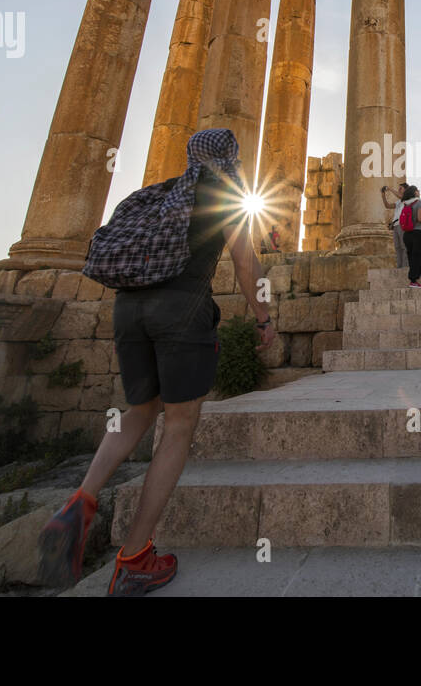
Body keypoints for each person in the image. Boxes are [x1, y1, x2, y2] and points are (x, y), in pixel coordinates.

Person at [38, 128, 275, 595]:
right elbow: (245, 262)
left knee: (140, 411)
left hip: (128, 310)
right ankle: (135, 557)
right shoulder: (222, 192)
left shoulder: (160, 194)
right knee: (179, 426)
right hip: (180, 310)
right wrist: (264, 318)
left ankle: (81, 500)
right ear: (228, 157)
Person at [399, 185, 421, 287]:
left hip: (407, 234)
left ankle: (412, 280)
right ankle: (414, 280)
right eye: (417, 190)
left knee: (411, 256)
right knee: (417, 257)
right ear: (415, 193)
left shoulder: (406, 204)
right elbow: (420, 219)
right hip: (417, 233)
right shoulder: (419, 202)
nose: (419, 191)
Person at [380, 183, 408, 269]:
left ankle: (405, 267)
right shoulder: (399, 201)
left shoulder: (408, 198)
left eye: (401, 188)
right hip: (395, 225)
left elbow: (400, 196)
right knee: (397, 247)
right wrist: (383, 195)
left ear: (406, 190)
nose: (399, 190)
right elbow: (387, 206)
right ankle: (399, 267)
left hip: (402, 224)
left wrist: (390, 188)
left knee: (404, 246)